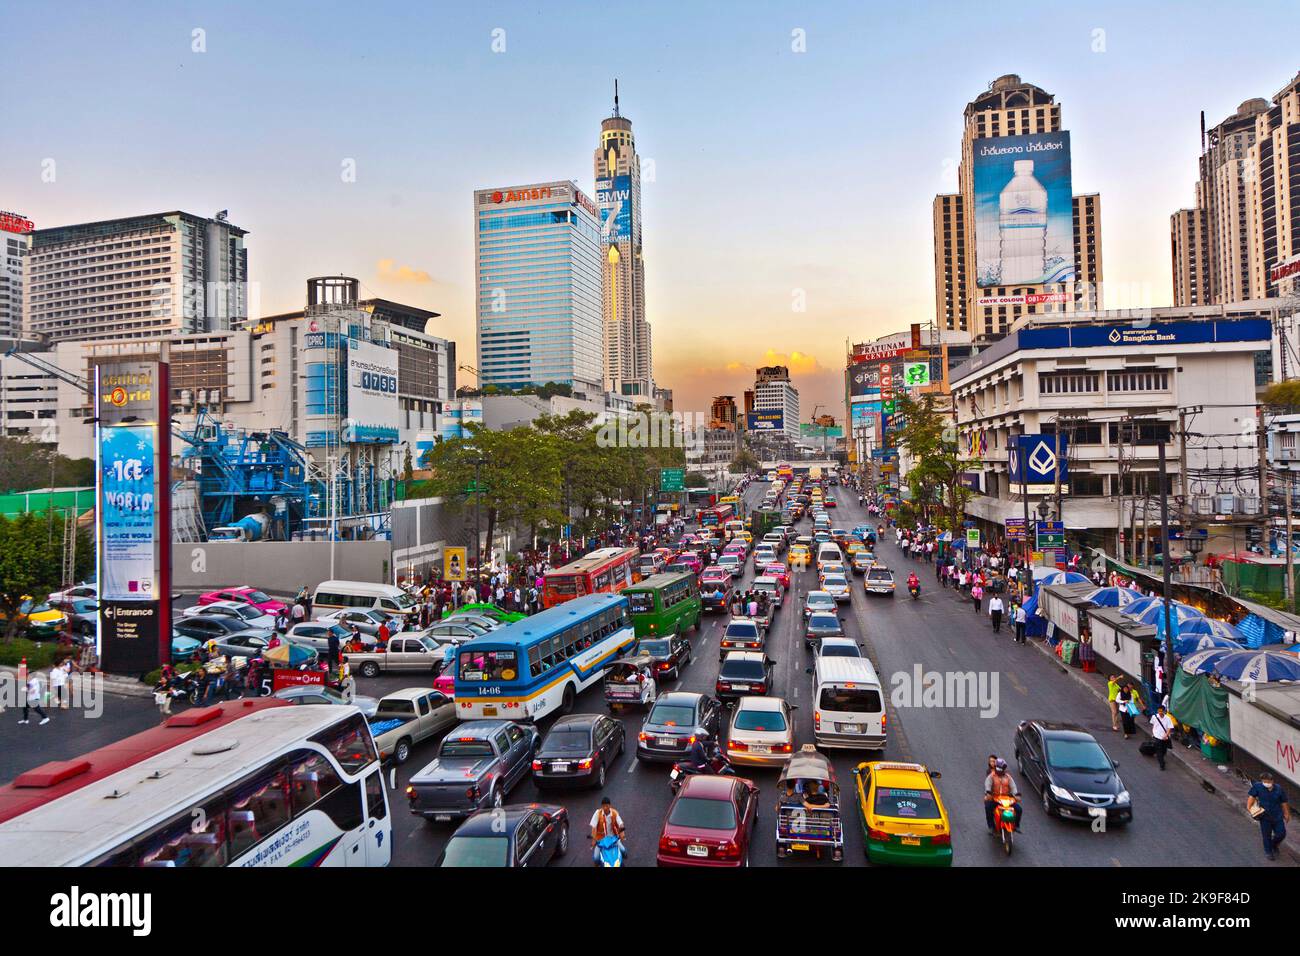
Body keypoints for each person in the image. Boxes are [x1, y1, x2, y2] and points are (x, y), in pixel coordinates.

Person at [1246, 772, 1291, 860]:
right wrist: (1249, 808)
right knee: (1266, 835)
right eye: (1264, 781)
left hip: (1277, 816)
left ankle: (1274, 845)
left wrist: (1286, 813)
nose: (1266, 783)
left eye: (1268, 781)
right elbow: (1251, 797)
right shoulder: (1258, 787)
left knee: (1281, 834)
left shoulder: (1279, 789)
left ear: (1272, 781)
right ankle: (1268, 851)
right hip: (1265, 816)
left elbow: (1284, 802)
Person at [984, 758, 1022, 833]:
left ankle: (1016, 825)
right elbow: (987, 785)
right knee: (988, 807)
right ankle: (991, 826)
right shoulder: (991, 777)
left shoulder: (1008, 777)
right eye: (998, 768)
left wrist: (1016, 795)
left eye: (1001, 769)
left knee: (1019, 809)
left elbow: (1013, 787)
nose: (999, 770)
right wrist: (988, 793)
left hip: (1007, 799)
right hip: (995, 798)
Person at [590, 797, 625, 865]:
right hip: (601, 840)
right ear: (601, 806)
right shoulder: (597, 813)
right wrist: (594, 839)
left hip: (613, 838)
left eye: (607, 806)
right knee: (596, 858)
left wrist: (622, 833)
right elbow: (593, 827)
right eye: (603, 806)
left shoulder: (614, 813)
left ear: (610, 806)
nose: (605, 808)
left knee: (624, 851)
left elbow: (621, 824)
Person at [1150, 704, 1174, 771]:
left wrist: (1166, 735)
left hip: (1164, 738)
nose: (1160, 712)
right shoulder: (1154, 717)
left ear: (1164, 711)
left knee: (1163, 750)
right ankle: (1162, 765)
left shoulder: (1168, 718)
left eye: (1161, 711)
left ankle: (1161, 758)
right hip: (1157, 736)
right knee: (1159, 751)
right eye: (1159, 711)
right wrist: (1153, 733)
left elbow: (1169, 728)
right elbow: (1153, 725)